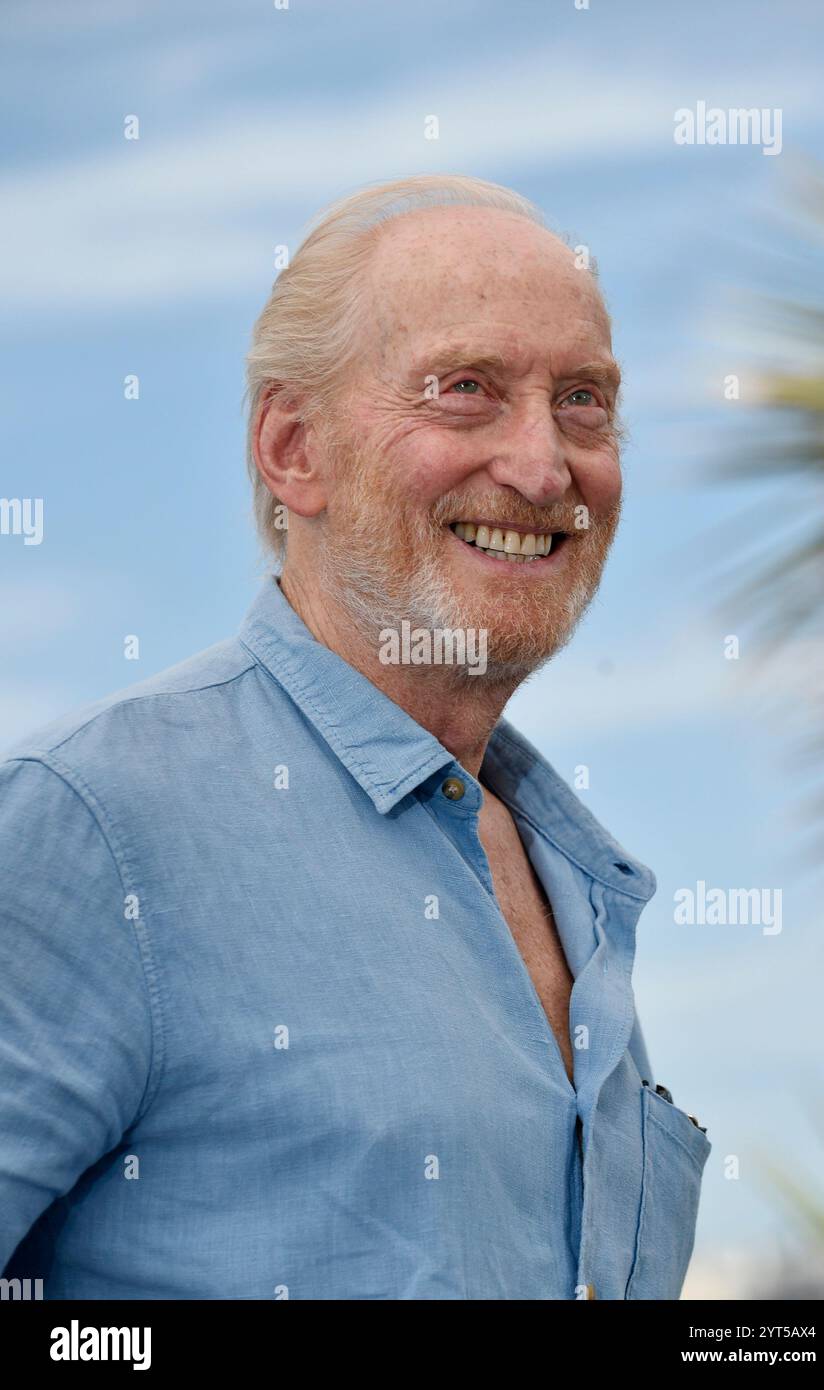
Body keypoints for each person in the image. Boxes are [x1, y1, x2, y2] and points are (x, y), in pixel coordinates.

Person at [0, 174, 709, 1301]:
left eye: (582, 399)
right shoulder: (90, 827)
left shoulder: (575, 883)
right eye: (466, 390)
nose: (543, 467)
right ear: (294, 450)